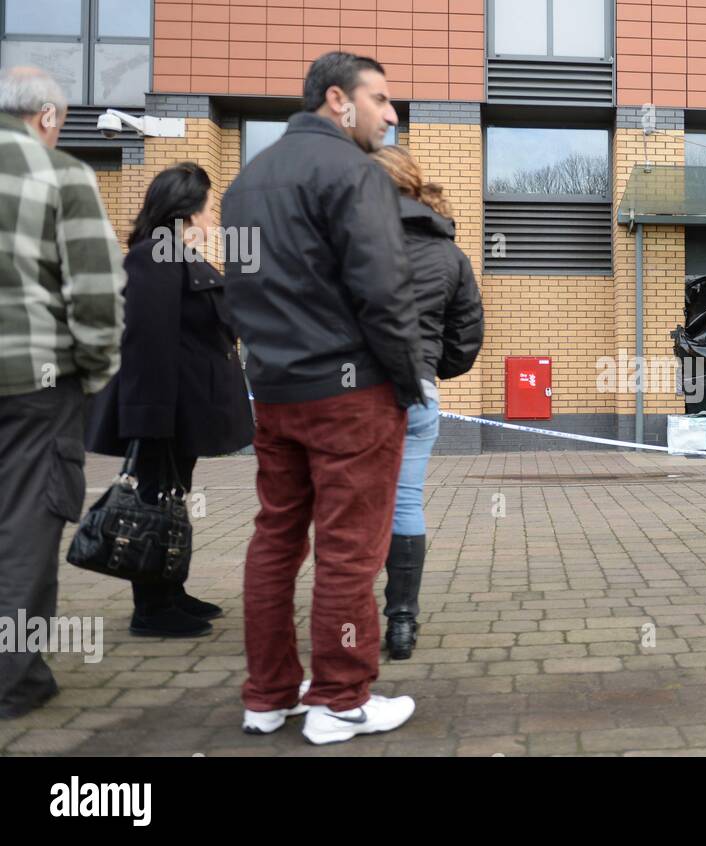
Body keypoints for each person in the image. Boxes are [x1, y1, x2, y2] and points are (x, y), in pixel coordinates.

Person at [222, 52, 424, 744]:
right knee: (347, 549)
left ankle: (267, 696)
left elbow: (239, 294)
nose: (391, 115)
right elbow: (385, 293)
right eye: (381, 100)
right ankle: (338, 700)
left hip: (275, 393)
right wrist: (407, 380)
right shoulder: (353, 174)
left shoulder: (244, 184)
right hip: (350, 396)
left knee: (275, 539)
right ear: (337, 100)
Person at [0, 67, 125, 718]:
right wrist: (96, 371)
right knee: (24, 522)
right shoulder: (61, 174)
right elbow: (96, 290)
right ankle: (11, 678)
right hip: (32, 381)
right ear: (47, 116)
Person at [86, 162, 254, 638]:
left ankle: (171, 590)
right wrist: (149, 421)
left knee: (170, 500)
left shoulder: (176, 255)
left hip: (183, 411)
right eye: (207, 208)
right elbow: (146, 343)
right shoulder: (153, 258)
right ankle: (151, 609)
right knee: (152, 501)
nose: (211, 219)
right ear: (186, 211)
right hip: (162, 412)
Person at [369, 146, 483, 659]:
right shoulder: (448, 253)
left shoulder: (349, 242)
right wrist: (434, 371)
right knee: (406, 502)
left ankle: (343, 623)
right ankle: (402, 622)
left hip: (352, 394)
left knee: (346, 507)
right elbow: (467, 335)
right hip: (417, 392)